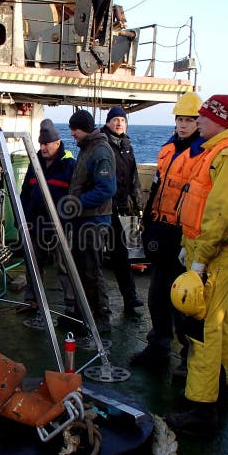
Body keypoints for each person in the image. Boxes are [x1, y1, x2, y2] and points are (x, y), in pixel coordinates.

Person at [164, 94, 228, 437]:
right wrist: (187, 246)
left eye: (203, 117)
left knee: (202, 326)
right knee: (217, 322)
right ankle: (219, 391)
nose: (198, 122)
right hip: (206, 250)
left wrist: (200, 258)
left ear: (220, 120)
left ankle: (201, 407)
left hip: (217, 254)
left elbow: (222, 214)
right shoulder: (216, 151)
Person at [129, 92, 205, 370]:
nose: (183, 125)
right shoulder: (169, 150)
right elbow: (159, 190)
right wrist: (147, 222)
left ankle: (189, 361)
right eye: (180, 119)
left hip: (184, 236)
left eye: (189, 120)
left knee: (184, 302)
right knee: (158, 295)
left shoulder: (204, 155)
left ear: (200, 122)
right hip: (162, 232)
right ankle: (158, 348)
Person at [18, 119, 77, 316]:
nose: (43, 147)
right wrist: (24, 216)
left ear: (57, 143)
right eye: (41, 144)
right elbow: (25, 192)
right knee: (34, 263)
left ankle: (71, 302)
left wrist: (69, 221)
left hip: (61, 225)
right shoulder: (35, 165)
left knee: (65, 265)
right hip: (35, 223)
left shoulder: (69, 166)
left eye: (46, 144)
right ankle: (31, 299)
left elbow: (74, 197)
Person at [66, 110, 116, 334]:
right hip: (82, 219)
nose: (72, 133)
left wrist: (78, 202)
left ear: (84, 128)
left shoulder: (100, 151)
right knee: (78, 267)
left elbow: (106, 188)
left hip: (94, 221)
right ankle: (81, 313)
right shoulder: (87, 150)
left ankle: (101, 316)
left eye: (74, 129)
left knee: (91, 269)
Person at [99, 106, 144, 315]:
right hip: (100, 208)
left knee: (120, 255)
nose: (119, 123)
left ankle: (130, 299)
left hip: (118, 208)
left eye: (122, 120)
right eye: (115, 119)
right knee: (95, 255)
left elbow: (133, 176)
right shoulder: (100, 143)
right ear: (108, 122)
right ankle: (97, 302)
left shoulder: (127, 145)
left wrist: (138, 204)